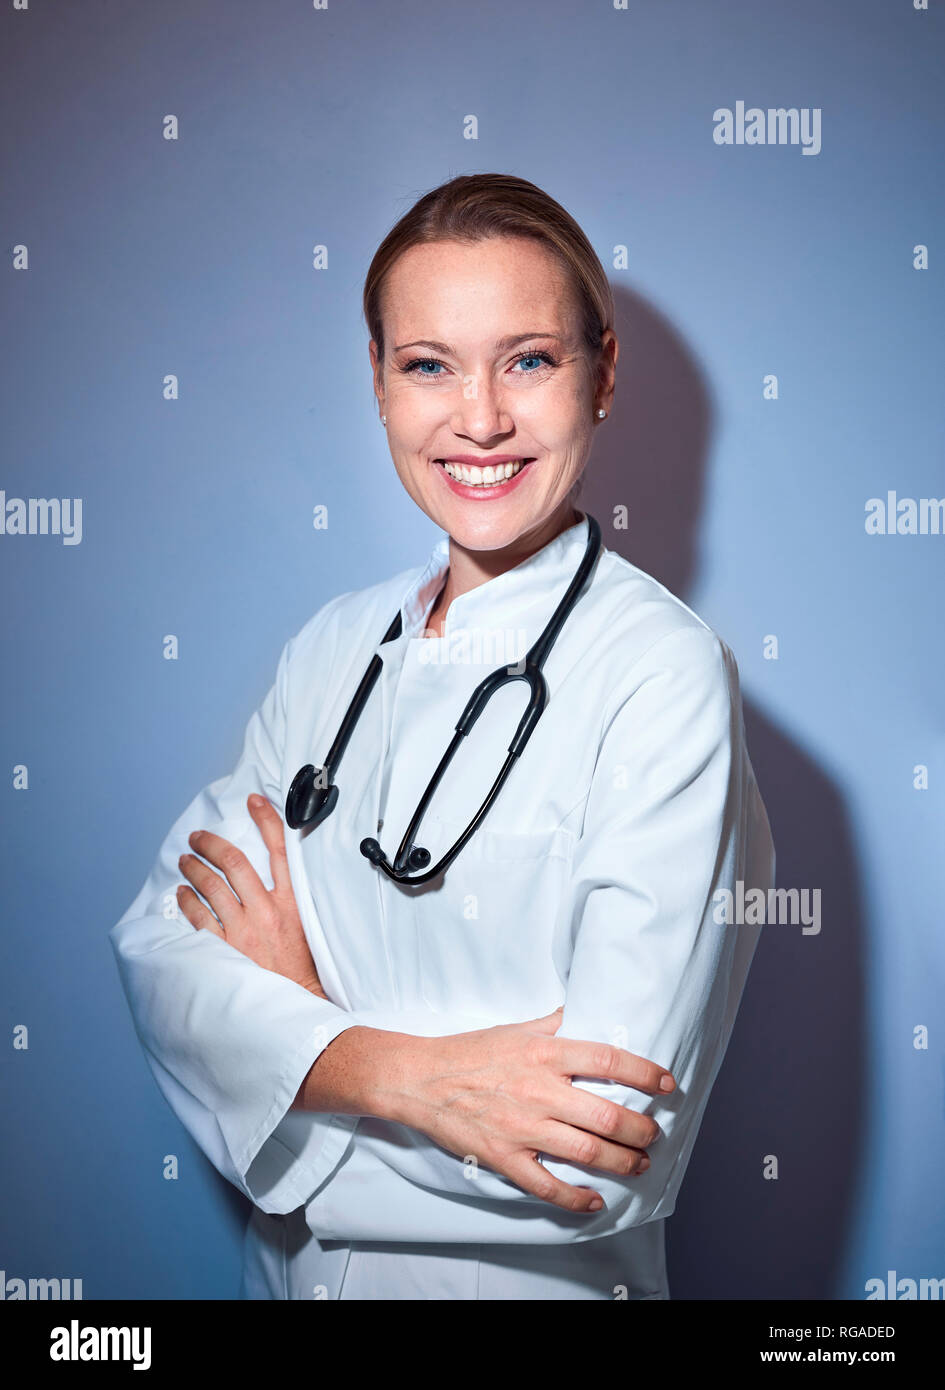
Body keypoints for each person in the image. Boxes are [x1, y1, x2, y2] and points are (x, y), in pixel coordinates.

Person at [110, 172, 775, 1301]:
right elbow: (160, 957)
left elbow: (593, 1154)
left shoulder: (660, 673)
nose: (479, 419)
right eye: (428, 365)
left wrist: (293, 1046)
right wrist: (411, 1076)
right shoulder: (332, 648)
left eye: (529, 359)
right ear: (376, 381)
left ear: (603, 373)